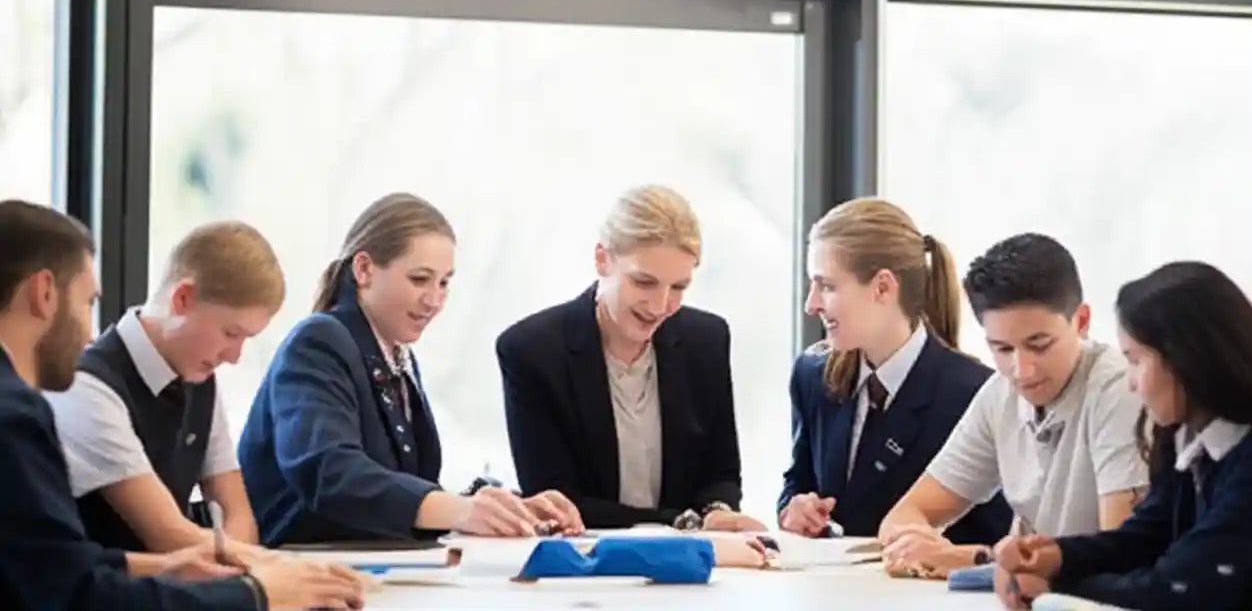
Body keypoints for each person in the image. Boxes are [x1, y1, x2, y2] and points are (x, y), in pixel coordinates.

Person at [0, 199, 364, 610]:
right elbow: (74, 592)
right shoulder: (20, 413)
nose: (89, 327)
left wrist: (171, 568)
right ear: (44, 293)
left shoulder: (19, 408)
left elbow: (61, 564)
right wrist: (257, 592)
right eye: (88, 303)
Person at [239, 192, 582, 545]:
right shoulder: (318, 341)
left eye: (444, 282)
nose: (434, 300)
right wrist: (461, 511)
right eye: (420, 279)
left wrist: (507, 510)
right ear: (364, 269)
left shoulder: (397, 355)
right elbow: (331, 473)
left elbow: (396, 487)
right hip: (302, 567)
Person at [994, 261, 1252, 610]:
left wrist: (1054, 587)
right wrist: (1056, 556)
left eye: (1136, 361)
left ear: (1187, 359)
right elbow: (1146, 538)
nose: (1131, 382)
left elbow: (1176, 589)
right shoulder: (1190, 441)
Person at [878, 233, 1148, 578]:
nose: (1022, 371)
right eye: (1002, 349)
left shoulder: (1121, 389)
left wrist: (976, 559)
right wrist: (915, 544)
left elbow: (1123, 555)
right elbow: (903, 517)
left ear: (1081, 321)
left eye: (1039, 344)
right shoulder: (999, 394)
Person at [498, 184, 762, 531]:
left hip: (685, 569)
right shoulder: (531, 350)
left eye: (679, 287)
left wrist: (717, 510)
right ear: (602, 259)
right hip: (581, 565)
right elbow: (558, 502)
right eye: (644, 282)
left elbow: (720, 472)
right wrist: (685, 524)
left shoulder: (706, 339)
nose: (660, 306)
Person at [778, 198, 1011, 557]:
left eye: (826, 286)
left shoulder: (973, 393)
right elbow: (798, 480)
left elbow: (998, 543)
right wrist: (795, 508)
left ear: (883, 288)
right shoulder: (811, 374)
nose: (811, 304)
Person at [44, 221, 282, 554]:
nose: (235, 357)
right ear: (182, 298)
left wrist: (243, 565)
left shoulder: (199, 378)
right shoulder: (89, 388)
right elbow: (167, 535)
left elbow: (238, 514)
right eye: (231, 333)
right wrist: (265, 567)